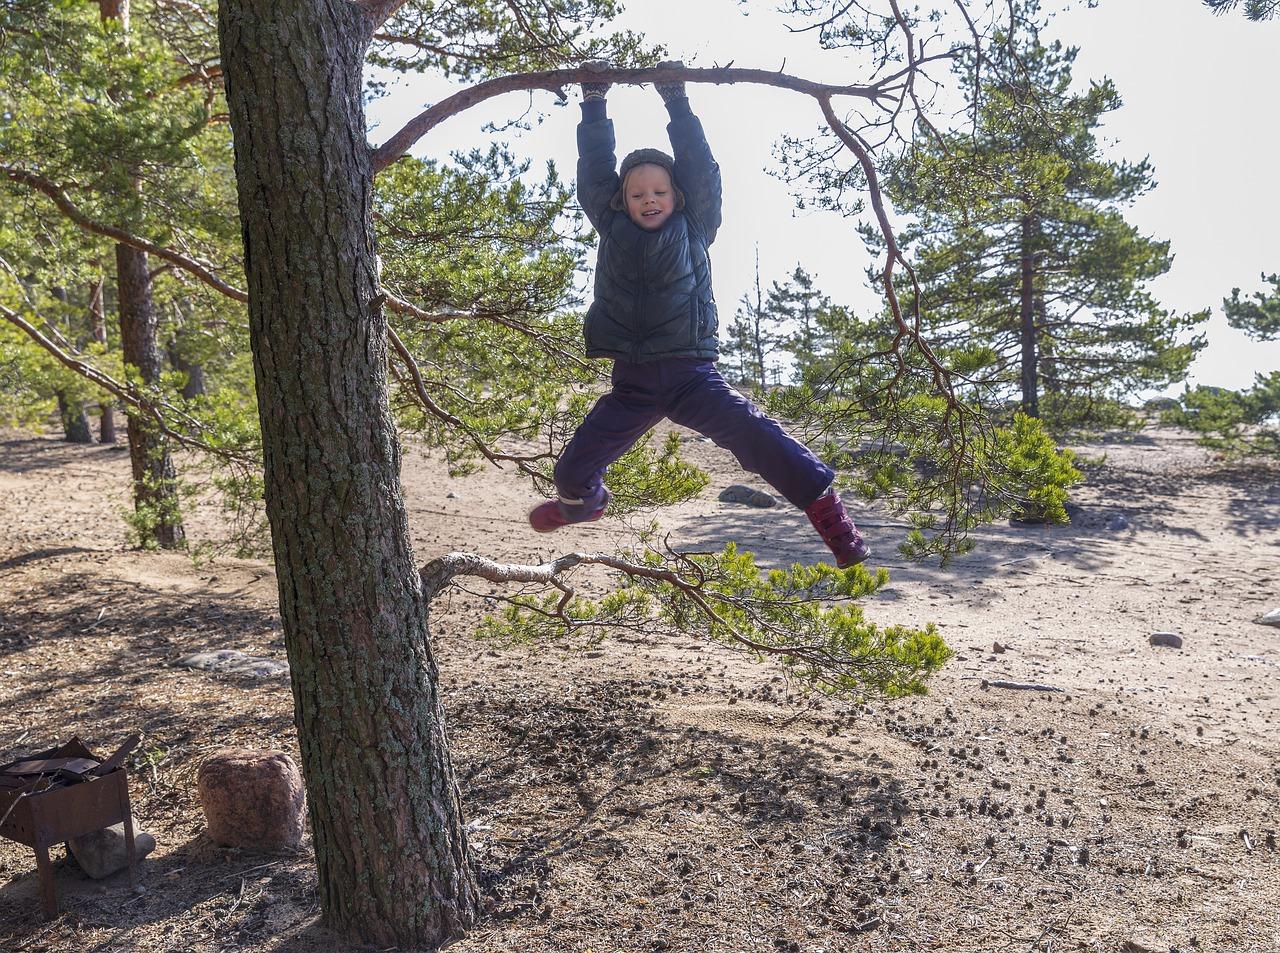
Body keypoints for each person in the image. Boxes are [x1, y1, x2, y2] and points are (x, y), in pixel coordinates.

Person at [527, 61, 870, 568]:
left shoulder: (696, 224)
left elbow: (699, 166)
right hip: (632, 385)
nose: (648, 200)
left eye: (659, 192)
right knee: (570, 471)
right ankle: (584, 504)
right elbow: (595, 171)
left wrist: (677, 100)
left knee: (759, 438)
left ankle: (837, 527)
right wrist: (594, 101)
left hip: (692, 377)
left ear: (678, 196)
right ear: (621, 201)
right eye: (637, 194)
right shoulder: (611, 224)